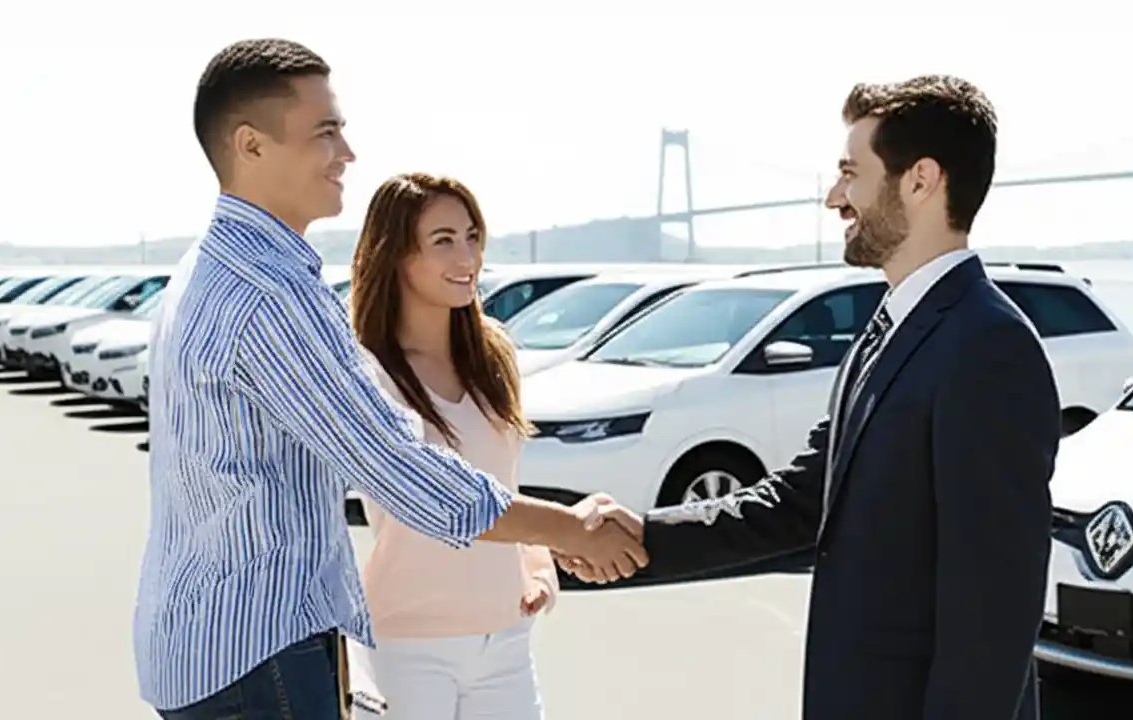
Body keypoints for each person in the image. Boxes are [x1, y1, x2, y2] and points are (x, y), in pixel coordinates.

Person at [133, 38, 646, 720]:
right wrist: (570, 529)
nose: (347, 153)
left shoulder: (206, 268)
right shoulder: (265, 292)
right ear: (252, 146)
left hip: (217, 646)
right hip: (258, 655)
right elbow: (399, 468)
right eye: (326, 132)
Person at [572, 75, 1061, 720]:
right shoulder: (892, 326)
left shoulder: (988, 346)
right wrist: (641, 537)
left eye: (850, 173)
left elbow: (995, 604)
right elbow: (802, 502)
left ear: (920, 180)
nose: (835, 197)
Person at [349, 172, 559, 719]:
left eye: (471, 236)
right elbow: (424, 495)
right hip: (408, 644)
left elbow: (504, 482)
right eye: (443, 240)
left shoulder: (494, 355)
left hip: (507, 637)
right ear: (395, 255)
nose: (467, 255)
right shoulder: (369, 372)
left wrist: (537, 566)